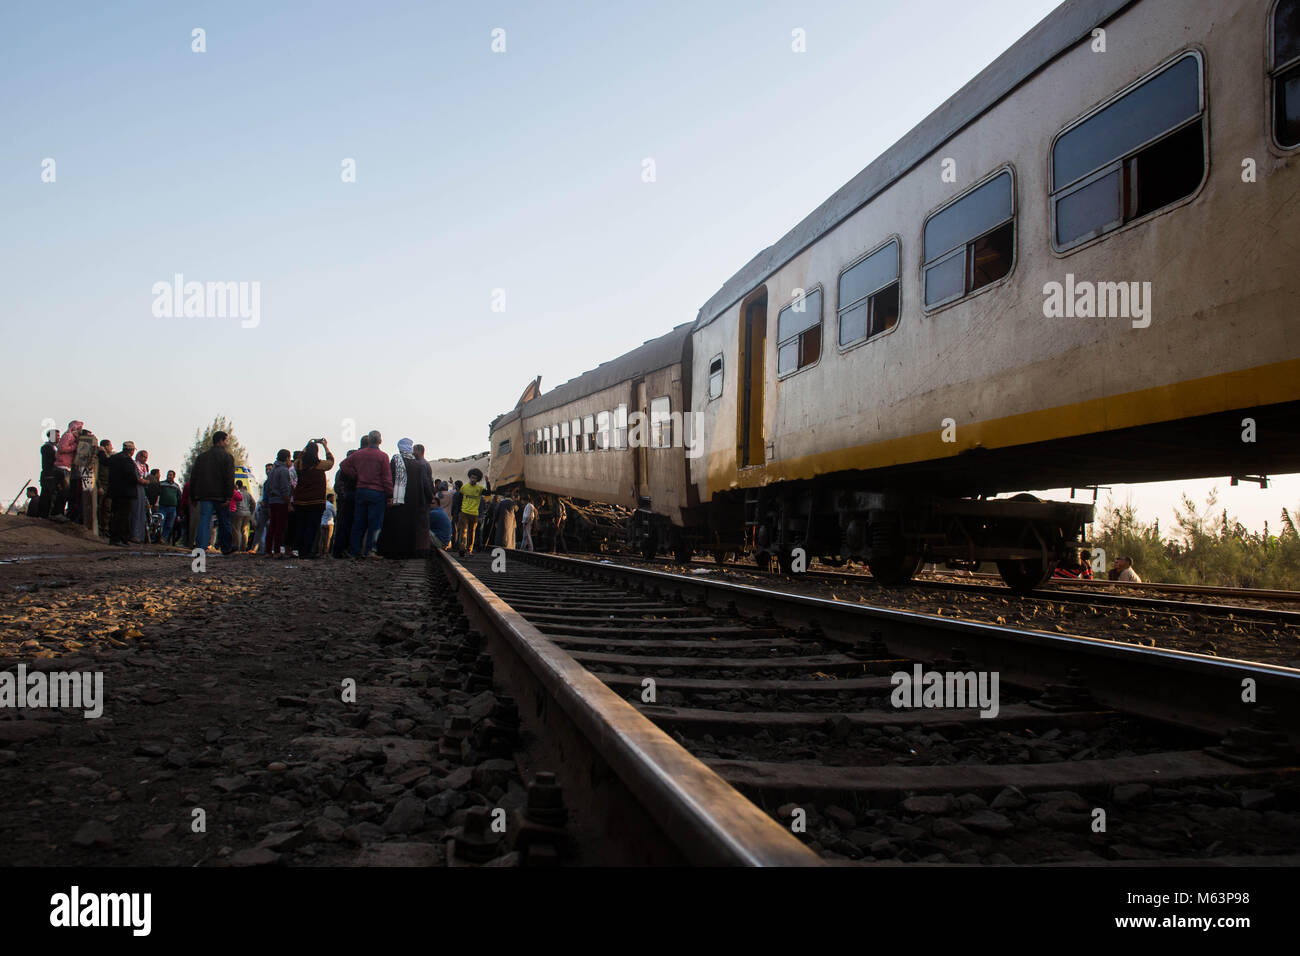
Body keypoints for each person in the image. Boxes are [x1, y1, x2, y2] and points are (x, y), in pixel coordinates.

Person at [378, 438, 432, 559]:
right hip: (414, 501)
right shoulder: (417, 464)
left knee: (396, 525)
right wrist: (426, 499)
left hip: (398, 499)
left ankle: (394, 551)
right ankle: (408, 551)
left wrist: (389, 496)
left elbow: (390, 478)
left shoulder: (396, 460)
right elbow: (423, 483)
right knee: (410, 526)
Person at [341, 430, 392, 558]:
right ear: (380, 441)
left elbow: (343, 465)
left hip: (361, 490)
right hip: (377, 492)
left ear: (368, 440)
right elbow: (386, 477)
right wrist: (390, 494)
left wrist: (355, 475)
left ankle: (354, 551)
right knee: (375, 524)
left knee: (358, 522)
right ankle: (370, 550)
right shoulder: (383, 456)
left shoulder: (358, 454)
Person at [191, 431, 236, 554]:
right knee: (224, 521)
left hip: (204, 494)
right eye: (226, 440)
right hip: (221, 495)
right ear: (221, 440)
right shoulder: (227, 457)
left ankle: (201, 546)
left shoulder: (202, 457)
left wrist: (193, 496)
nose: (227, 443)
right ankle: (226, 547)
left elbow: (194, 476)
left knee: (205, 519)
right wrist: (228, 496)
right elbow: (229, 478)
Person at [292, 439, 335, 559]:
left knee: (301, 526)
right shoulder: (320, 465)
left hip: (300, 501)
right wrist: (325, 446)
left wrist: (307, 444)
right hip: (316, 502)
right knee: (312, 527)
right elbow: (331, 461)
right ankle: (308, 551)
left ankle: (299, 551)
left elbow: (297, 458)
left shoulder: (299, 465)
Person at [106, 442, 143, 545]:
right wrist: (138, 481)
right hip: (126, 492)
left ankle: (119, 538)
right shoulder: (127, 461)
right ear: (131, 451)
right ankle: (118, 538)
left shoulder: (114, 458)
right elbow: (131, 476)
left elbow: (105, 461)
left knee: (116, 515)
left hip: (115, 491)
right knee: (123, 516)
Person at [333, 440, 364, 558]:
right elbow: (339, 486)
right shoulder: (346, 471)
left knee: (344, 526)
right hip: (347, 500)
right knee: (345, 525)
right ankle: (342, 549)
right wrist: (344, 496)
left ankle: (340, 549)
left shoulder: (343, 470)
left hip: (346, 500)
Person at [263, 451, 294, 558]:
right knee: (280, 527)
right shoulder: (284, 471)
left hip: (272, 501)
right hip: (281, 501)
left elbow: (267, 487)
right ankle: (276, 551)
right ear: (286, 458)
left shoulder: (272, 471)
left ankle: (268, 551)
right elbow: (285, 489)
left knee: (272, 526)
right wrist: (288, 503)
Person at [456, 469, 487, 557]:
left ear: (478, 480)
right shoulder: (464, 487)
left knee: (472, 532)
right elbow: (459, 499)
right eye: (472, 477)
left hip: (474, 514)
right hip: (464, 512)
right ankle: (462, 549)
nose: (473, 479)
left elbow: (488, 493)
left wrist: (488, 482)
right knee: (463, 531)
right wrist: (459, 511)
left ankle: (469, 550)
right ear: (469, 477)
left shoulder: (480, 489)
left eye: (475, 478)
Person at [37, 428, 60, 519]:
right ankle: (43, 515)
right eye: (57, 436)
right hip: (48, 475)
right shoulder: (47, 447)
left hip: (51, 474)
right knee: (46, 496)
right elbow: (50, 462)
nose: (59, 437)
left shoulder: (54, 447)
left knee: (50, 496)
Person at [130, 450, 150, 543]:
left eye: (146, 457)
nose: (144, 459)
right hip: (135, 489)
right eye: (142, 456)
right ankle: (133, 534)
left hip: (143, 491)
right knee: (135, 511)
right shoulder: (134, 465)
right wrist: (141, 480)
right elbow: (135, 477)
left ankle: (141, 535)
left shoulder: (145, 467)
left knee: (142, 512)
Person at [231, 480, 256, 551]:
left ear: (237, 485)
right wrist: (251, 512)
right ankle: (244, 547)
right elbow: (253, 503)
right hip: (247, 514)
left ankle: (237, 546)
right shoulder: (248, 493)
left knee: (237, 530)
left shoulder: (237, 493)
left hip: (238, 513)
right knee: (245, 531)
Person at [157, 470, 180, 545]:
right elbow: (157, 493)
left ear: (174, 476)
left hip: (173, 508)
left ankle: (164, 539)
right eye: (168, 475)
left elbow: (179, 497)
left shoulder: (176, 486)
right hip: (163, 506)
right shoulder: (162, 484)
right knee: (161, 524)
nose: (169, 476)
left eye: (171, 475)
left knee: (169, 525)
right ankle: (158, 538)